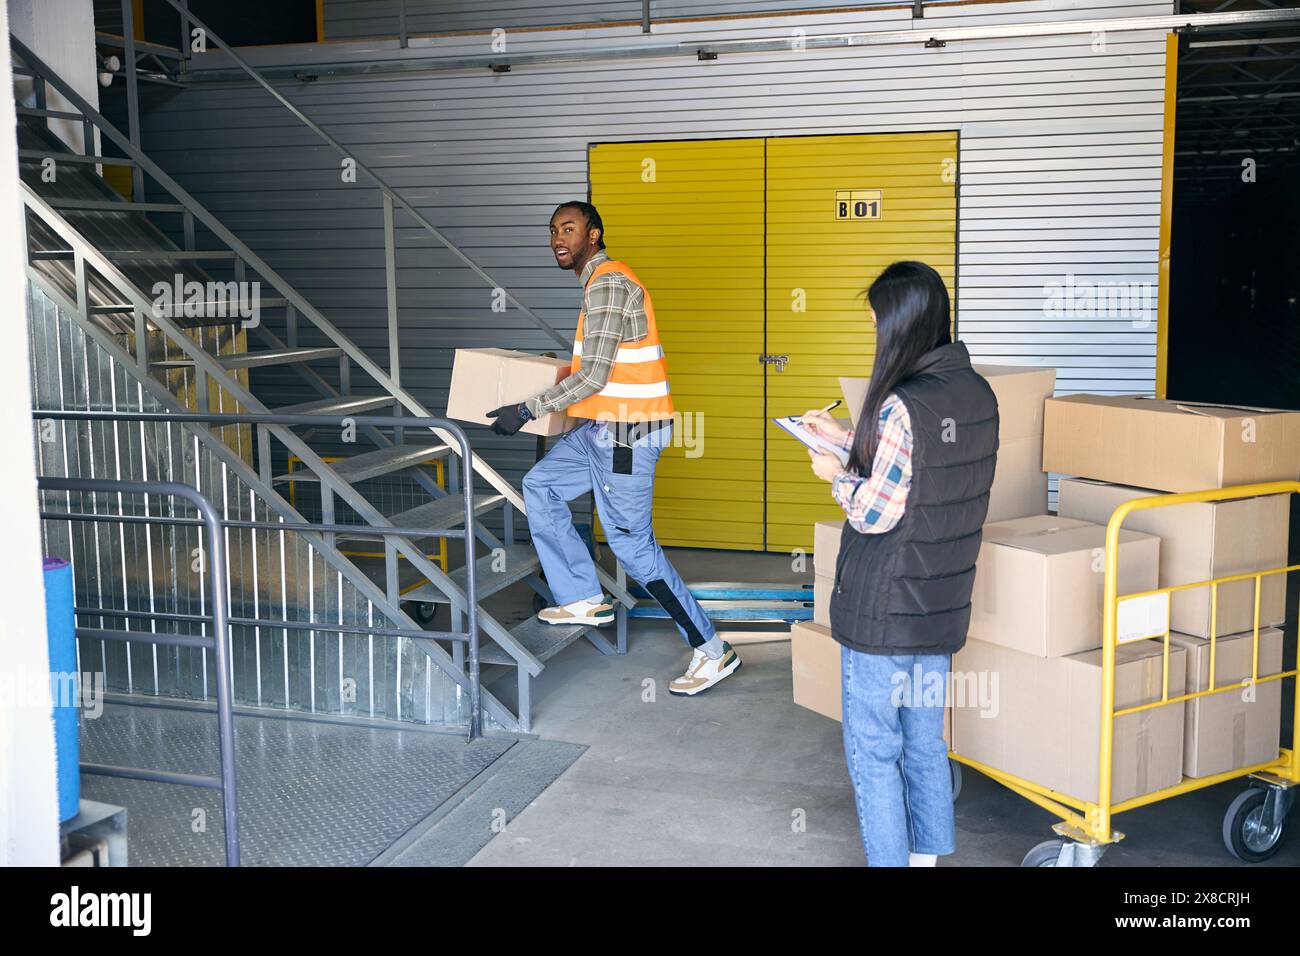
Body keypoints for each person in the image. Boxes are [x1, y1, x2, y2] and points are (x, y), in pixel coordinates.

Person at [486, 200, 741, 697]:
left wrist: (527, 409)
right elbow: (603, 368)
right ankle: (581, 595)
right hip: (601, 429)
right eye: (553, 231)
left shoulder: (607, 282)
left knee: (632, 548)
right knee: (541, 485)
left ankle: (712, 649)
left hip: (628, 434)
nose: (559, 239)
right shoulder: (598, 285)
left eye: (570, 229)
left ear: (594, 235)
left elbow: (595, 374)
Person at [802, 261, 998, 867]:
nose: (875, 337)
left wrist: (836, 475)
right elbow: (923, 480)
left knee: (874, 750)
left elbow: (876, 514)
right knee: (923, 747)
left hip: (884, 611)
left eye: (877, 326)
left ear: (903, 327)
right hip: (938, 606)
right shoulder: (977, 394)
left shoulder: (901, 405)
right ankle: (925, 862)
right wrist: (842, 436)